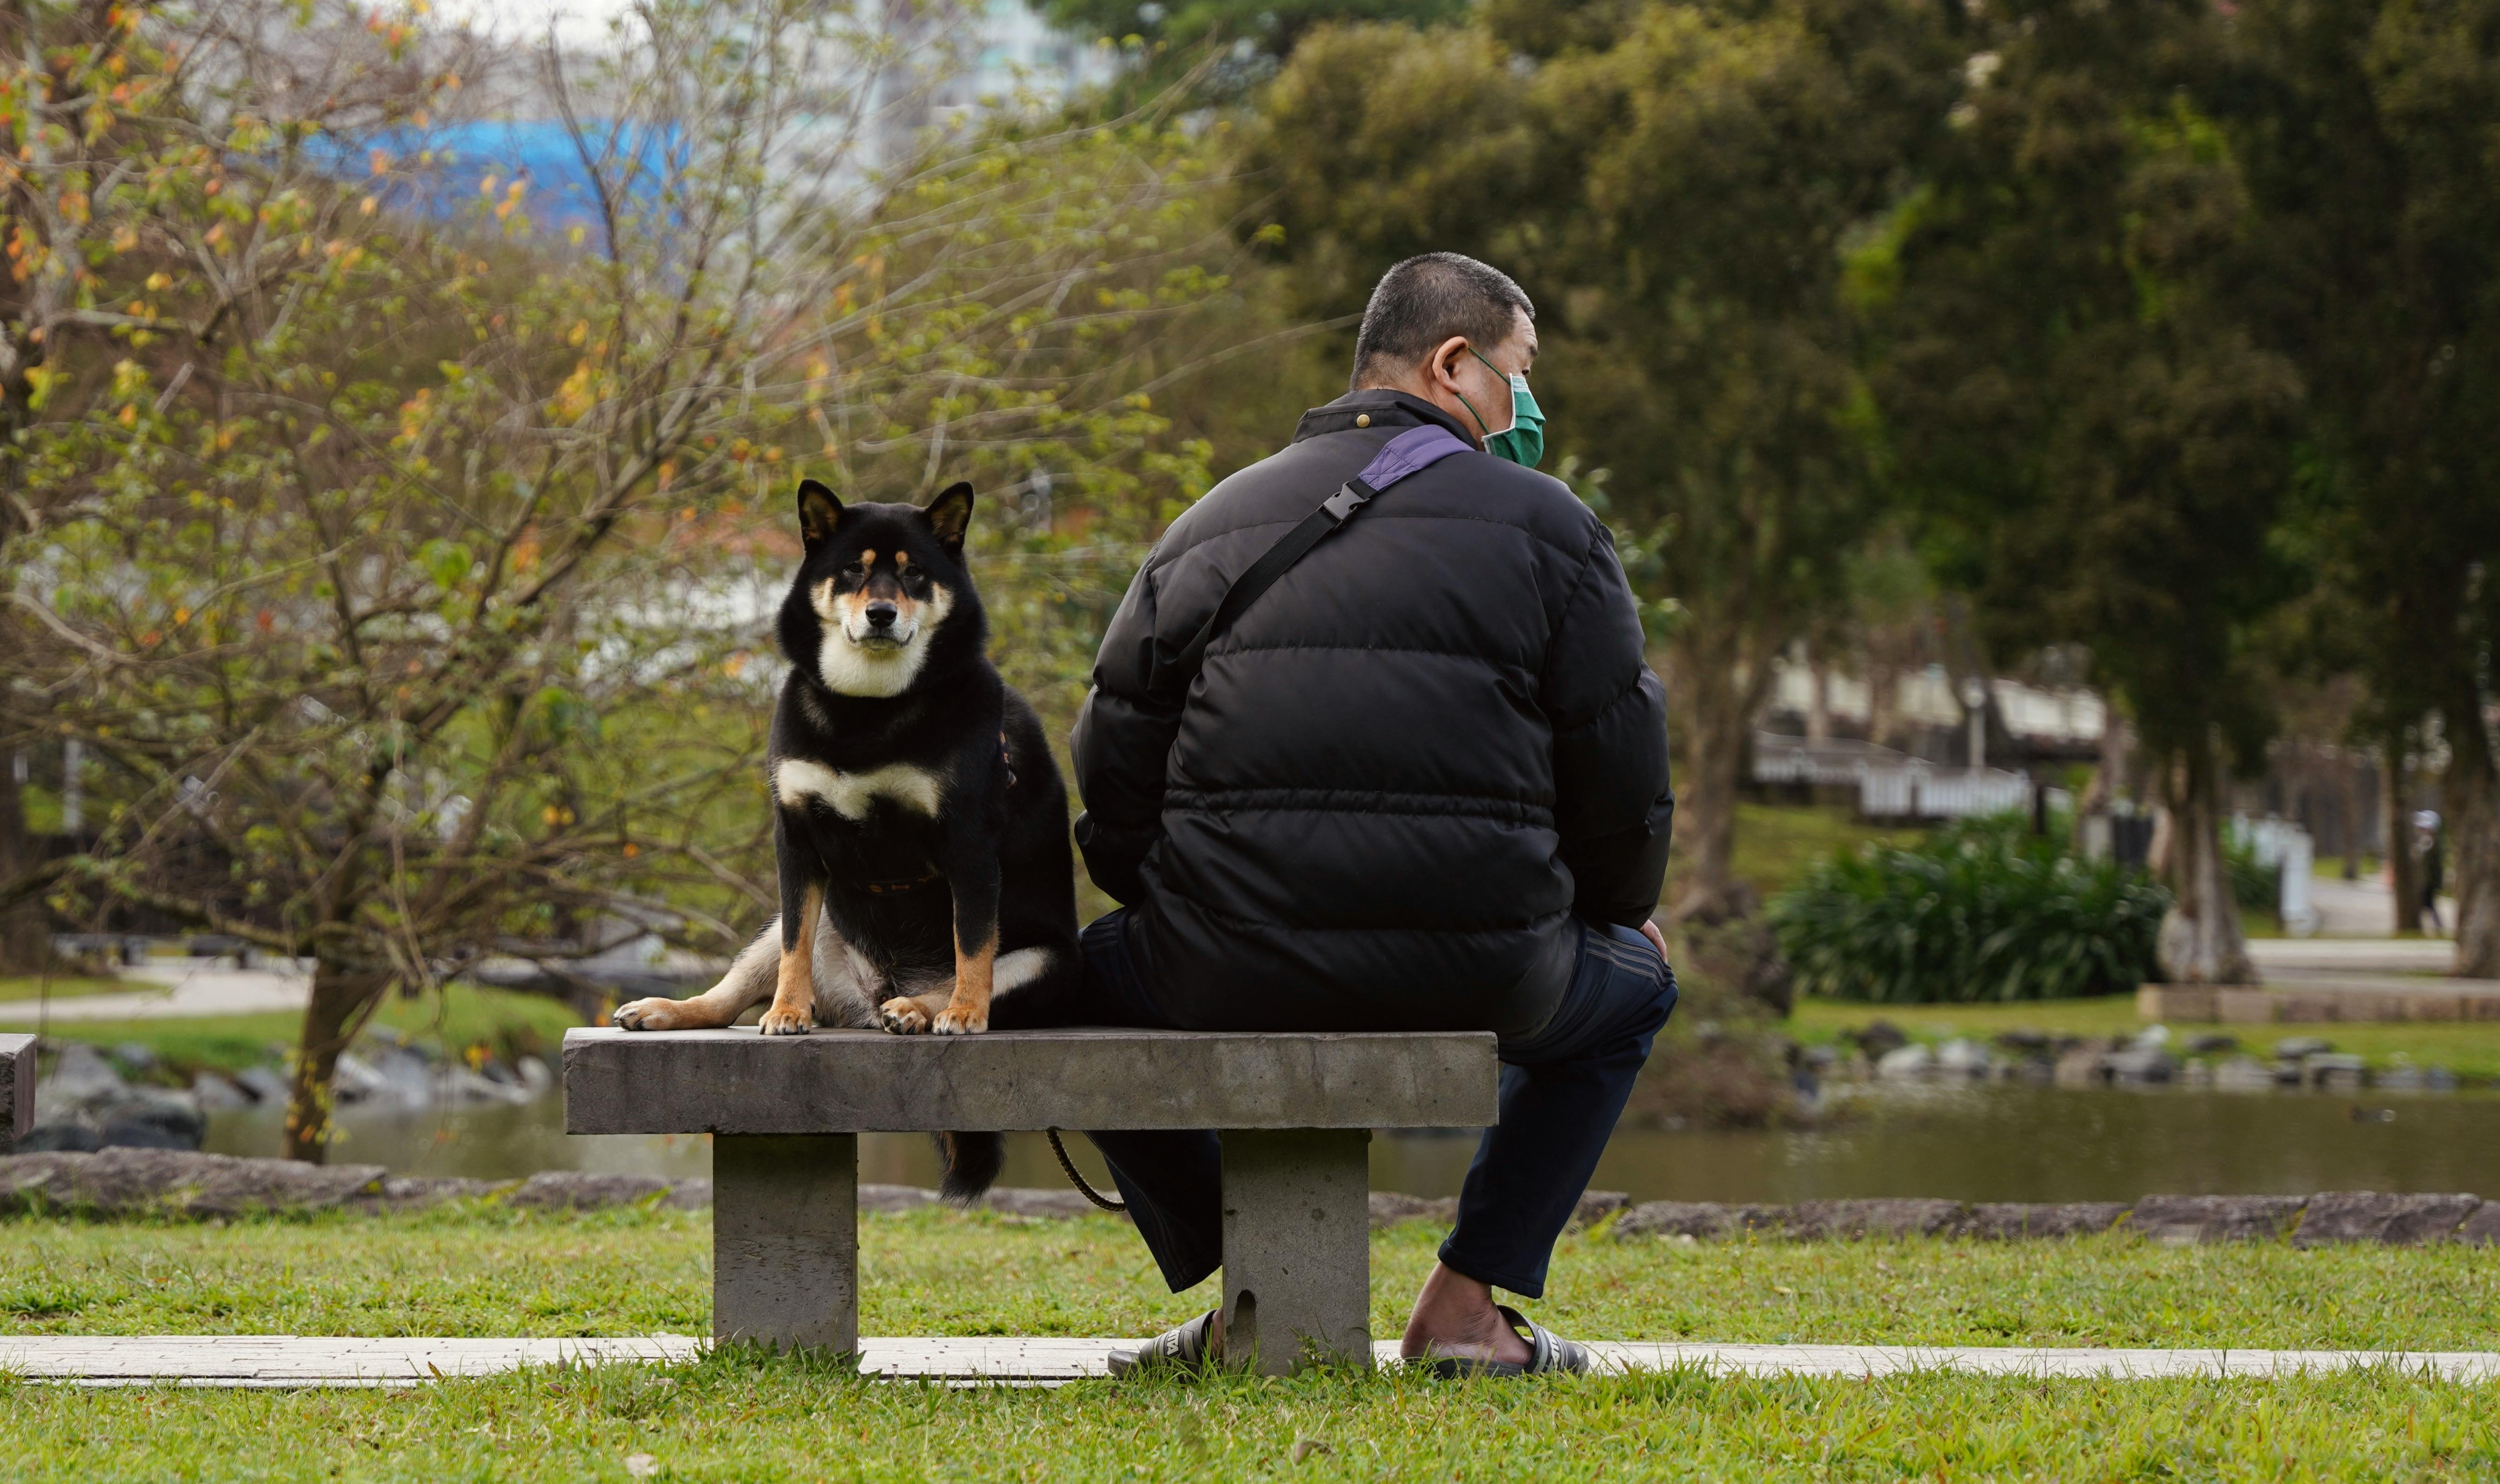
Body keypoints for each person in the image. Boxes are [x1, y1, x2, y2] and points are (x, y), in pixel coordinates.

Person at [1058, 253, 1676, 1374]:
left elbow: (1109, 776)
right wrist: (1610, 915)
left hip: (1218, 961)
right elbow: (1622, 789)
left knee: (1060, 975)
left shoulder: (1208, 527)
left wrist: (1181, 899)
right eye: (1520, 374)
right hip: (1493, 969)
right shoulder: (1555, 529)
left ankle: (1243, 1283)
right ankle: (1466, 1307)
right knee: (1639, 984)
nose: (1527, 406)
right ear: (1455, 365)